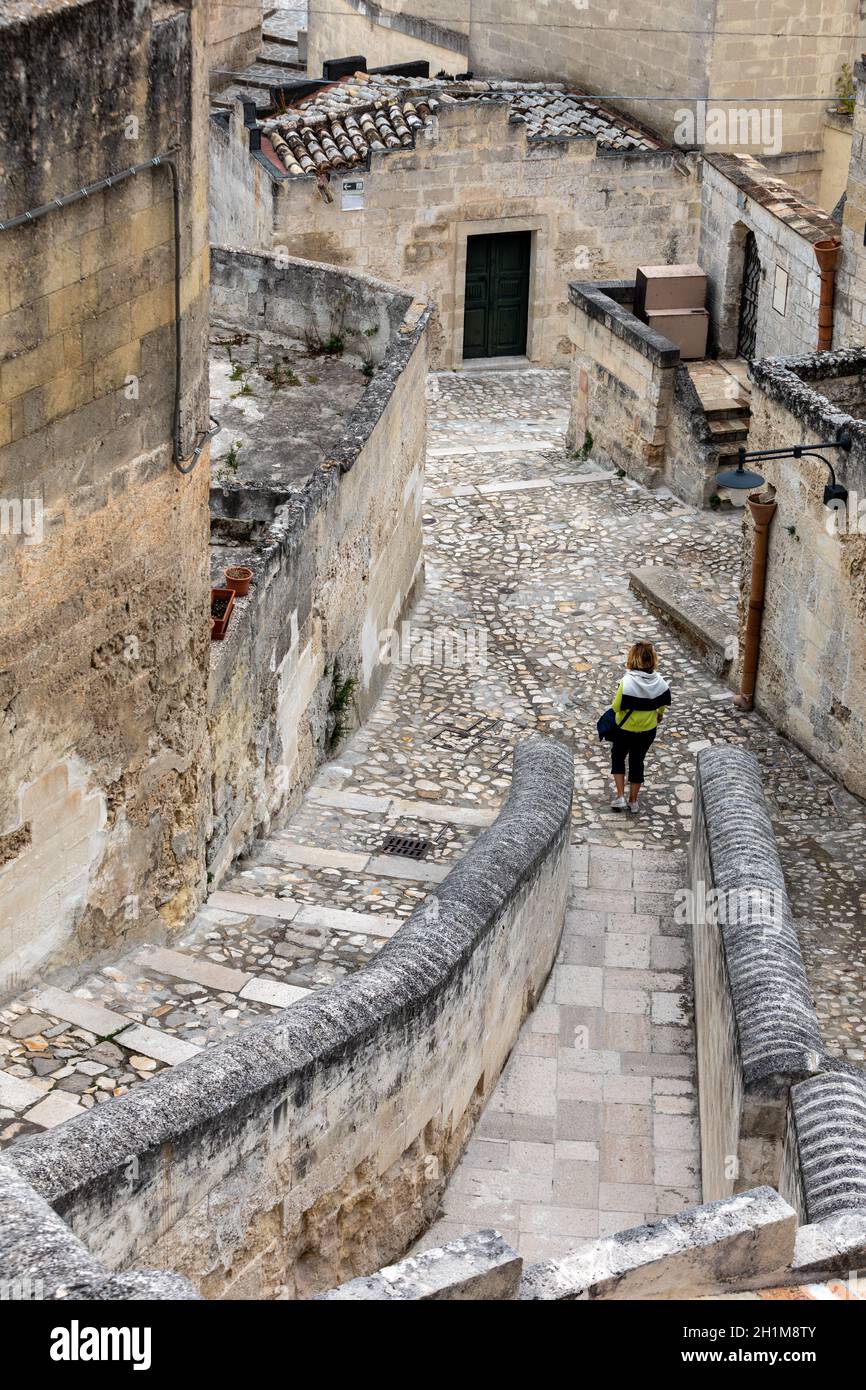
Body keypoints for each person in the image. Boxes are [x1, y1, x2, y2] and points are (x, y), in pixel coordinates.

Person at [609, 641, 671, 814]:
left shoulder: (627, 682)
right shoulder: (661, 683)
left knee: (618, 757)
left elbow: (616, 707)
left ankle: (620, 796)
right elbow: (661, 709)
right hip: (647, 731)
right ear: (652, 659)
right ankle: (633, 801)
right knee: (637, 761)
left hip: (625, 729)